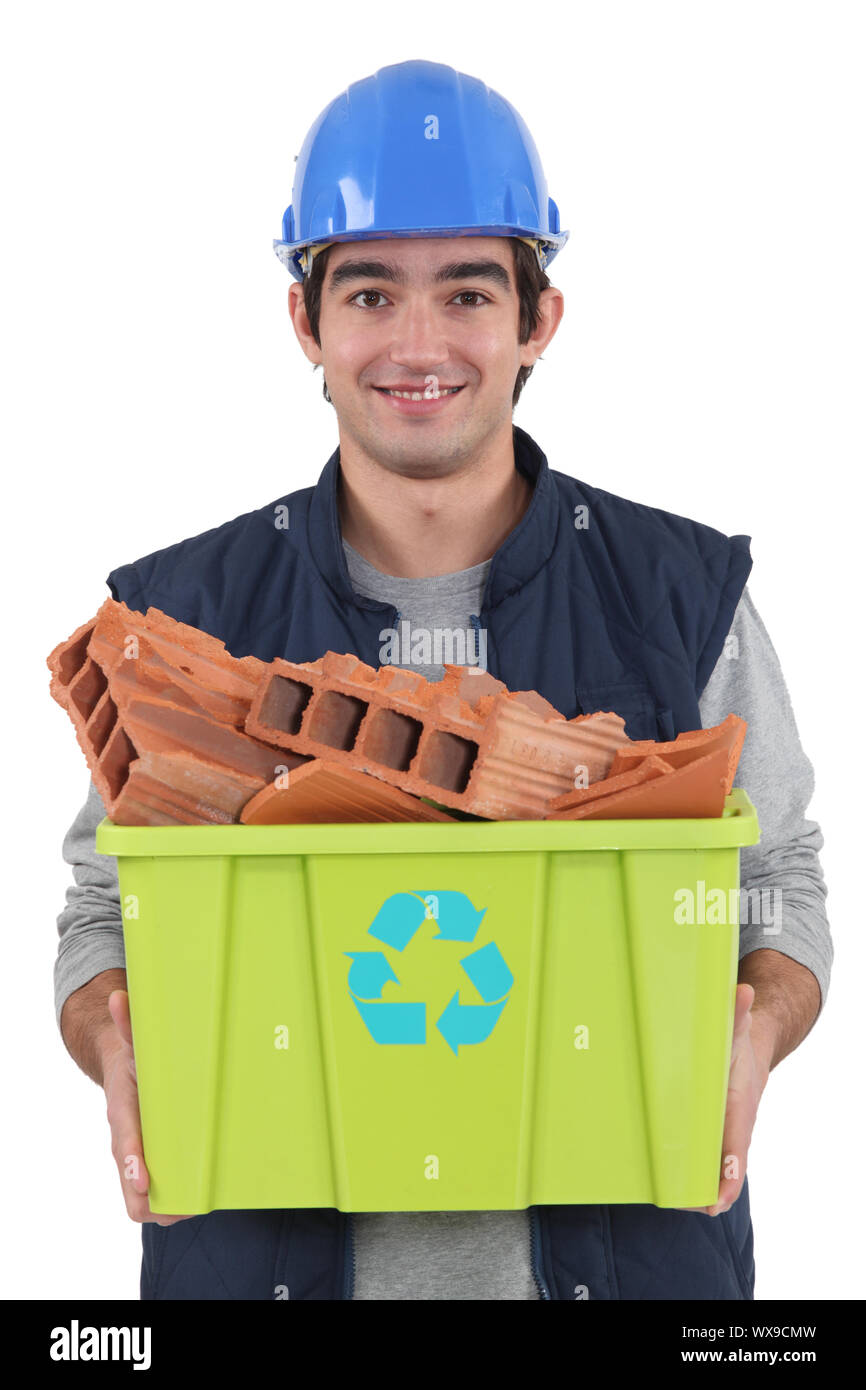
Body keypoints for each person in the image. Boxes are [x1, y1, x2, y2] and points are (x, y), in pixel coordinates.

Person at [55, 59, 831, 1300]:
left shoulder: (680, 596)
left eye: (466, 291)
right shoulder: (174, 621)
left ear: (538, 322)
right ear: (305, 324)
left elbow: (776, 873)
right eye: (369, 291)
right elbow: (108, 905)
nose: (418, 346)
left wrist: (759, 1023)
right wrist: (111, 1031)